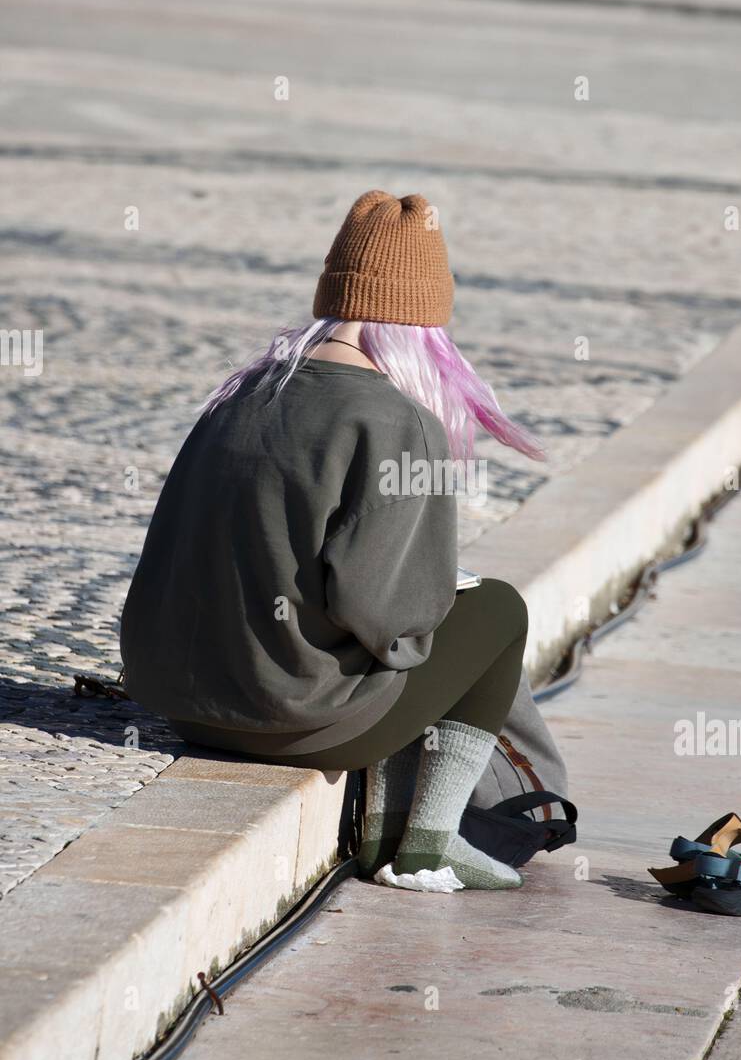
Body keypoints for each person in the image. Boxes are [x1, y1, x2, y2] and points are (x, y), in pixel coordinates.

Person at [120, 190, 546, 890]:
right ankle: (427, 845)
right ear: (425, 324)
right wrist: (436, 601)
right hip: (287, 721)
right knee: (499, 610)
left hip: (180, 703)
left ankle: (389, 823)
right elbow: (389, 617)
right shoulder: (395, 420)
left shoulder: (242, 392)